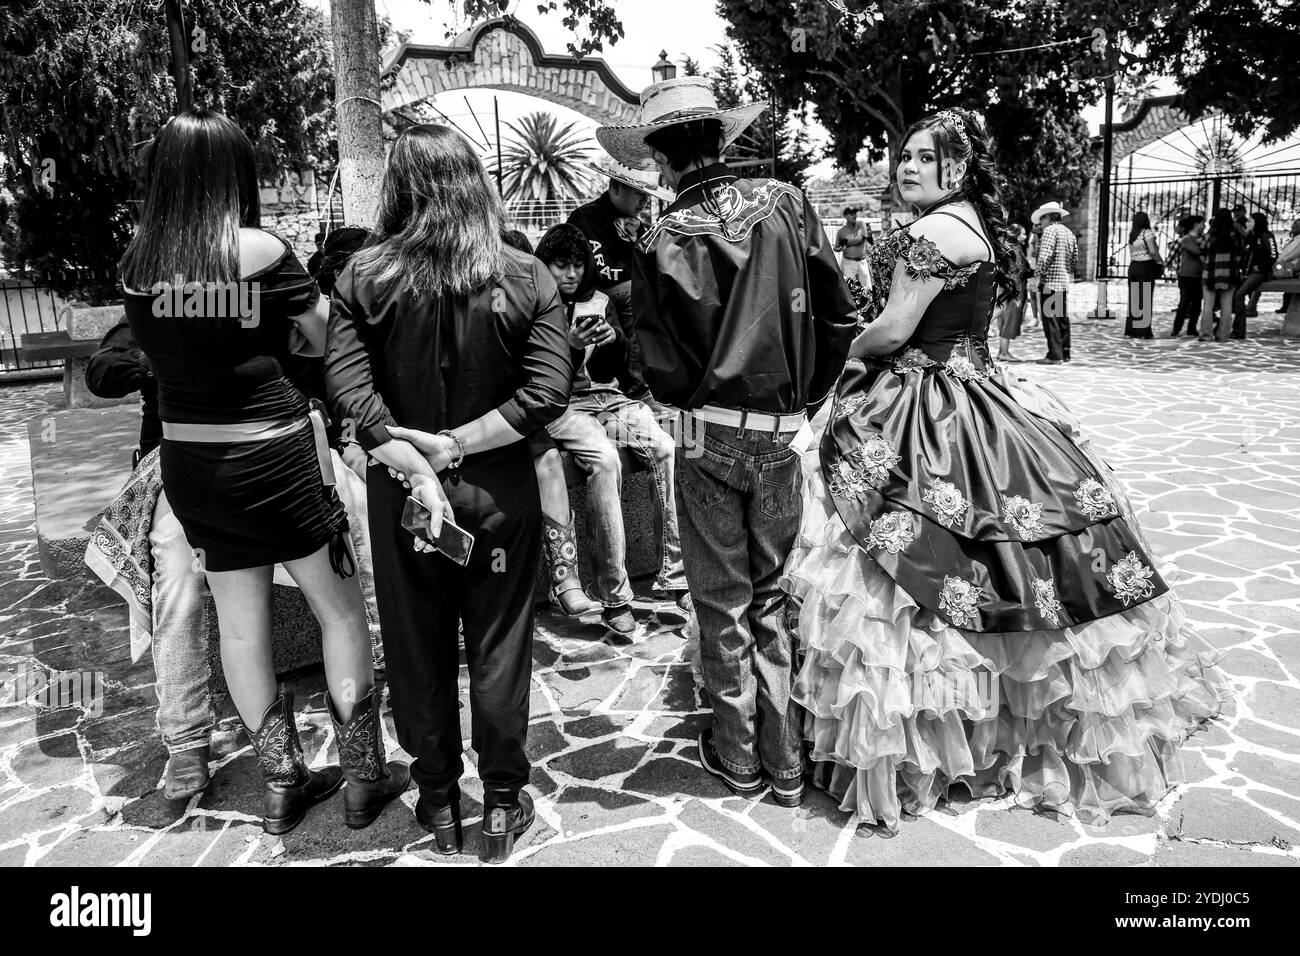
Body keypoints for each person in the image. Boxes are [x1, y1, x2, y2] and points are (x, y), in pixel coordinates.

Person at [780, 107, 1231, 831]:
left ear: (955, 168)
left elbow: (896, 329)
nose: (907, 167)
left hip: (921, 404)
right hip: (982, 395)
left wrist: (841, 356)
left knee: (891, 565)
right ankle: (1012, 729)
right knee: (1014, 549)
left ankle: (921, 740)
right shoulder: (976, 226)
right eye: (906, 156)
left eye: (925, 158)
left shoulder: (927, 233)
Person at [117, 110, 408, 835]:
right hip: (272, 454)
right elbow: (318, 334)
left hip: (190, 462)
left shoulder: (137, 261)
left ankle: (283, 784)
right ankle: (363, 777)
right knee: (338, 609)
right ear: (231, 172)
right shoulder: (258, 249)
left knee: (241, 630)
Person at [598, 75, 858, 808]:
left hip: (706, 438)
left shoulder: (660, 237)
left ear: (659, 158)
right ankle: (783, 763)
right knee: (772, 596)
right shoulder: (787, 205)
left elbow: (653, 363)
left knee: (722, 601)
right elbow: (839, 317)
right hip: (779, 435)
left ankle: (739, 756)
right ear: (722, 139)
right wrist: (800, 401)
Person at [325, 124, 571, 863]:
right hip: (496, 495)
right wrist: (457, 447)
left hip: (402, 497)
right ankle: (500, 806)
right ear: (476, 182)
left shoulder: (363, 277)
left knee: (414, 645)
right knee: (499, 646)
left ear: (399, 187)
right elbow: (549, 393)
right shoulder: (526, 276)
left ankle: (439, 804)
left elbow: (346, 390)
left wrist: (414, 455)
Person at [535, 223, 690, 634]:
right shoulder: (535, 304)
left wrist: (609, 340)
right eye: (560, 265)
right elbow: (544, 382)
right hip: (563, 405)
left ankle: (675, 574)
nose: (569, 274)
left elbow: (611, 371)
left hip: (610, 398)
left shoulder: (600, 300)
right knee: (605, 461)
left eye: (576, 265)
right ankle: (614, 595)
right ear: (544, 265)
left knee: (664, 447)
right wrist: (567, 344)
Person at [567, 154, 673, 402]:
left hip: (619, 292)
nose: (645, 202)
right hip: (589, 295)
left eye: (647, 196)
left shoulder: (638, 226)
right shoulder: (587, 218)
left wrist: (638, 243)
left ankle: (660, 379)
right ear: (615, 188)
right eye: (639, 194)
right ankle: (637, 389)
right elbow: (599, 272)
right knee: (638, 293)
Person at [1031, 200, 1077, 363]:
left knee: (1050, 320)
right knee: (1062, 318)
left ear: (1048, 218)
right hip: (1063, 282)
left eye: (1042, 219)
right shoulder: (1068, 232)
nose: (1041, 223)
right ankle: (1065, 353)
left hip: (1050, 281)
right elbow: (1074, 258)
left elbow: (1044, 257)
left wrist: (1037, 274)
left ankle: (1054, 355)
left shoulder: (1050, 231)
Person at [1199, 208, 1243, 343]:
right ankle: (1223, 336)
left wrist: (1208, 263)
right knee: (1227, 306)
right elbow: (1240, 255)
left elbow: (1201, 253)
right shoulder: (1235, 235)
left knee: (1208, 305)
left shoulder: (1209, 235)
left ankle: (1206, 335)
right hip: (1230, 274)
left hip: (1210, 274)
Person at [1232, 212, 1278, 339]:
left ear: (1257, 222)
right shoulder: (1253, 236)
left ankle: (1239, 331)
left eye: (1250, 221)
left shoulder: (1266, 235)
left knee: (1239, 295)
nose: (1247, 223)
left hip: (1259, 273)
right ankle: (1237, 330)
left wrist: (1262, 267)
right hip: (1249, 272)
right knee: (1238, 295)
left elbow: (1273, 255)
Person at [995, 222, 1028, 360]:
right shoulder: (1016, 249)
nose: (1025, 236)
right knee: (1009, 319)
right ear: (1017, 235)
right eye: (1023, 233)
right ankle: (1004, 353)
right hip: (1015, 287)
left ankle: (1002, 351)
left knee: (1003, 318)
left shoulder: (1005, 248)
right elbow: (1021, 269)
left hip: (1004, 285)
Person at [1125, 211, 1159, 339]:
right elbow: (1152, 251)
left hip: (1133, 267)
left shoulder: (1132, 235)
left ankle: (1132, 329)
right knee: (1144, 299)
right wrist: (1161, 261)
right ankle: (1143, 330)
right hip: (1145, 267)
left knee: (1134, 300)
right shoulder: (1147, 233)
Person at [1170, 214, 1205, 337]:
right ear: (1196, 225)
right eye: (1202, 223)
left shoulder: (1202, 238)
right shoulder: (1186, 239)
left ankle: (1192, 328)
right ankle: (1176, 328)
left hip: (1199, 275)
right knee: (1184, 302)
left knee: (1197, 303)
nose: (1204, 226)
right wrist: (1203, 243)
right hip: (1186, 275)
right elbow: (1197, 251)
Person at [834, 207, 873, 289]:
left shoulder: (861, 224)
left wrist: (846, 243)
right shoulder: (841, 231)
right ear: (846, 216)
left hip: (862, 261)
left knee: (866, 288)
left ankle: (868, 301)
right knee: (850, 287)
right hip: (848, 262)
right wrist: (840, 248)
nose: (854, 216)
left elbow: (859, 239)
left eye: (855, 214)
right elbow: (836, 247)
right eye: (851, 214)